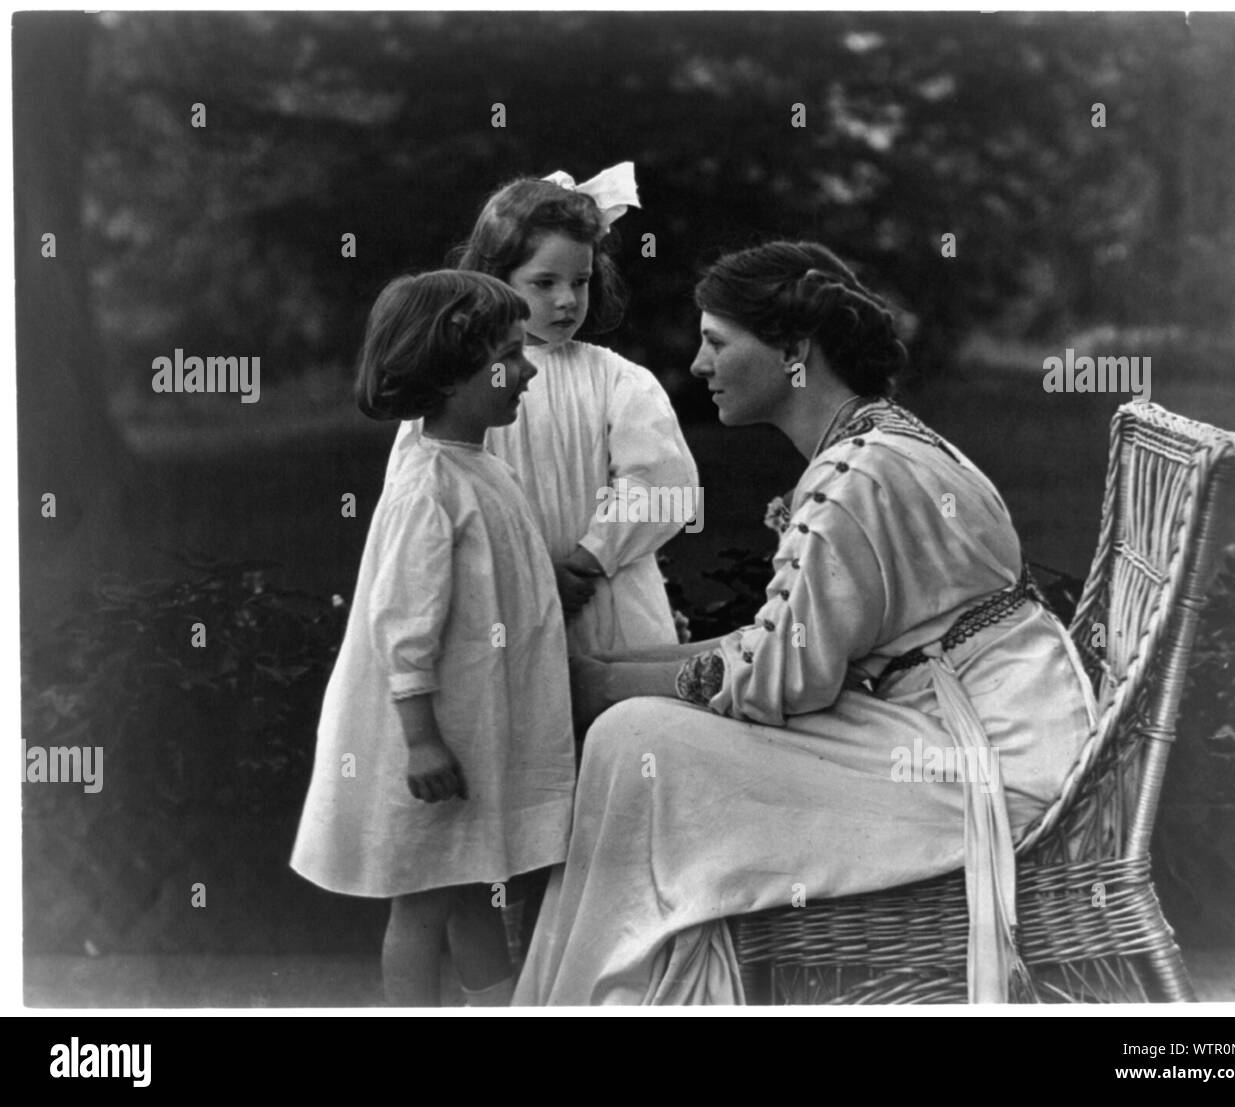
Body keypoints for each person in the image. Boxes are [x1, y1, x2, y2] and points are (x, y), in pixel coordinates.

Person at [514, 241, 1099, 1006]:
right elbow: (781, 643)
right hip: (965, 718)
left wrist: (602, 687)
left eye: (717, 342)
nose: (696, 364)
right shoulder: (874, 443)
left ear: (795, 352)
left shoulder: (857, 479)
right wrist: (609, 673)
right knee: (635, 730)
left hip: (993, 762)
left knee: (637, 740)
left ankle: (596, 997)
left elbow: (780, 676)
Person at [290, 271, 574, 1006]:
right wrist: (420, 737)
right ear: (451, 373)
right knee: (422, 903)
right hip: (433, 735)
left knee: (476, 884)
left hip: (474, 727)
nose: (530, 369)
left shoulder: (480, 466)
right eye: (509, 356)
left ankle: (498, 1005)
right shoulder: (427, 486)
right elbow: (403, 622)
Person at [385, 162, 699, 656]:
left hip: (605, 596)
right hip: (499, 602)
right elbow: (426, 490)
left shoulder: (616, 380)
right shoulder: (456, 382)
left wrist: (588, 559)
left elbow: (664, 483)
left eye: (580, 281)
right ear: (497, 278)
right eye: (544, 283)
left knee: (616, 717)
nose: (567, 301)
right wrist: (531, 577)